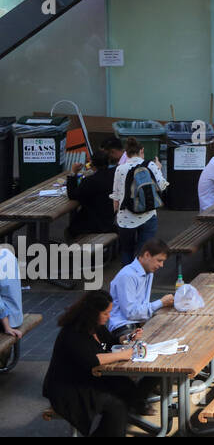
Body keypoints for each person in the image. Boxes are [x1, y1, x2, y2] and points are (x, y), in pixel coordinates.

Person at [43, 291, 140, 437]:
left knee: (126, 387)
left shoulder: (95, 325)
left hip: (86, 379)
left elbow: (110, 342)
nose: (109, 317)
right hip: (69, 388)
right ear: (93, 313)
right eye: (106, 313)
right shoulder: (73, 333)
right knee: (116, 406)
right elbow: (91, 360)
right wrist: (122, 355)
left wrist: (128, 337)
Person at [110, 137, 169, 265]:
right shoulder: (150, 165)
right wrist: (158, 169)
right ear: (142, 150)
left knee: (126, 251)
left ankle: (128, 281)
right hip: (148, 216)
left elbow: (116, 196)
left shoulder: (120, 169)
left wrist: (116, 214)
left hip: (125, 218)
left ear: (126, 153)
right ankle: (142, 281)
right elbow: (162, 186)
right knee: (144, 254)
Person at [106, 239, 174, 338]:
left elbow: (142, 307)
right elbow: (130, 313)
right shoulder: (127, 275)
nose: (161, 265)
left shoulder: (149, 272)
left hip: (137, 323)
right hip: (123, 327)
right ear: (147, 255)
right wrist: (161, 303)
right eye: (159, 260)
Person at [67, 152, 117, 237]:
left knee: (69, 231)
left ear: (92, 164)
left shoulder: (90, 181)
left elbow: (72, 195)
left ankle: (75, 248)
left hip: (94, 224)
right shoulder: (114, 174)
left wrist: (73, 173)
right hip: (110, 220)